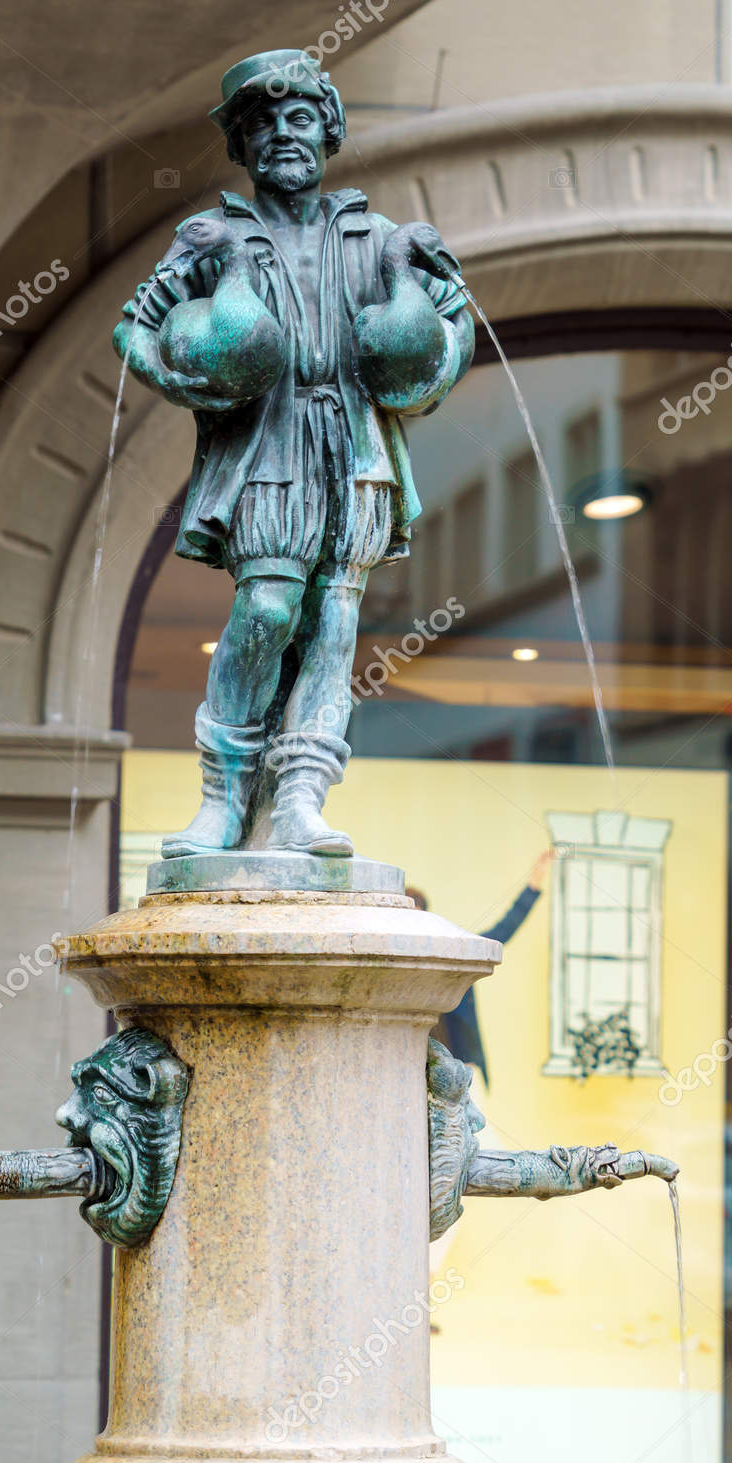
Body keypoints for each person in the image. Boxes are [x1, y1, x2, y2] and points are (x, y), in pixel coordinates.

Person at [115, 49, 474, 859]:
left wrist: (430, 368)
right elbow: (132, 327)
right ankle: (224, 792)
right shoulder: (212, 239)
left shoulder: (378, 236)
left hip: (353, 447)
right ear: (241, 147)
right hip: (266, 447)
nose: (283, 134)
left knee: (334, 623)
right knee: (270, 609)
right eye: (261, 124)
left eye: (300, 118)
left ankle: (303, 796)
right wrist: (182, 375)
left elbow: (456, 326)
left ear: (329, 130)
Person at [409, 849, 552, 1086]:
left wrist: (533, 886)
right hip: (414, 1069)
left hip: (462, 1067)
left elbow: (500, 933)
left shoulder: (452, 953)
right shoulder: (392, 966)